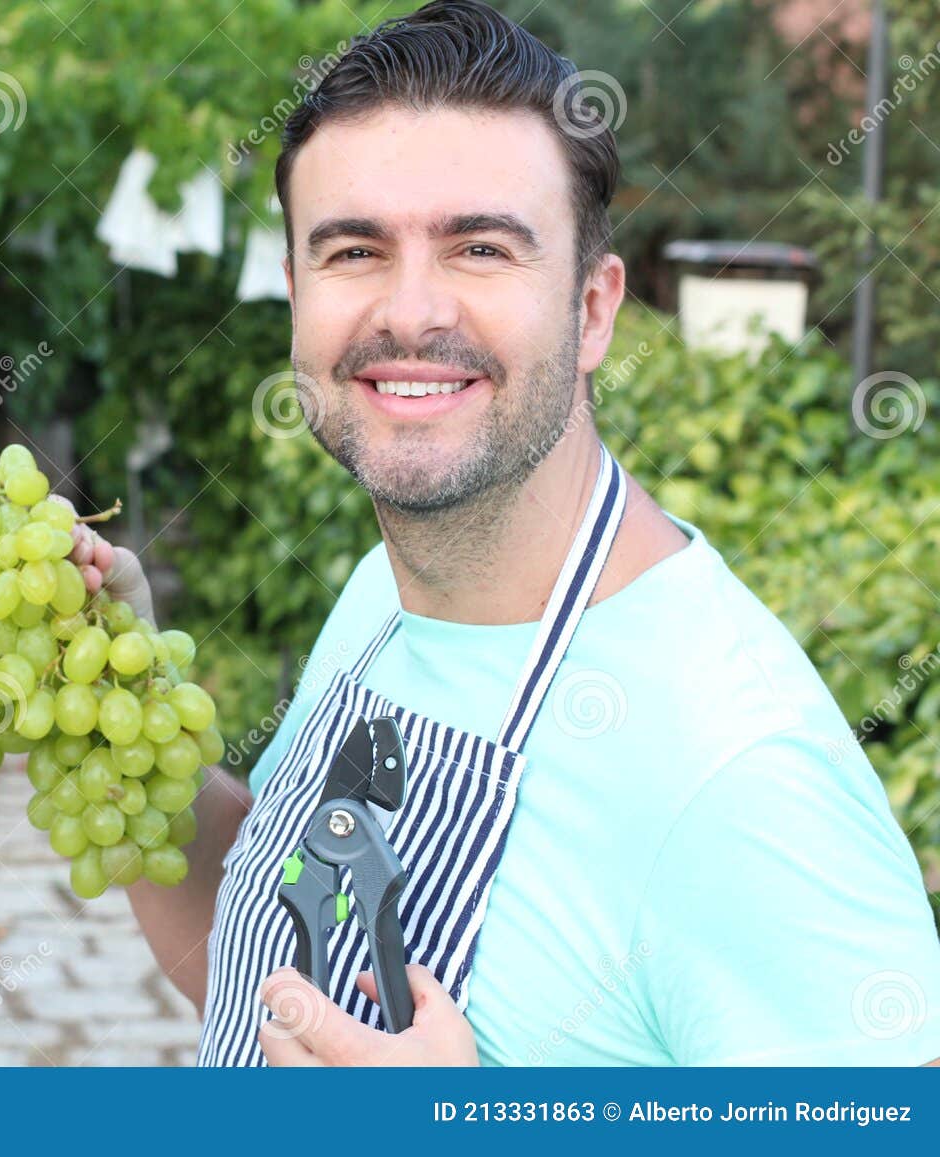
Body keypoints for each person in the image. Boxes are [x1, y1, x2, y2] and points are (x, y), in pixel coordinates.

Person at [67, 0, 940, 1067]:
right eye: (353, 250)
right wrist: (124, 720)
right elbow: (264, 979)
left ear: (592, 309)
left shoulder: (740, 777)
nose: (411, 310)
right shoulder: (383, 596)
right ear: (295, 294)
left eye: (480, 247)